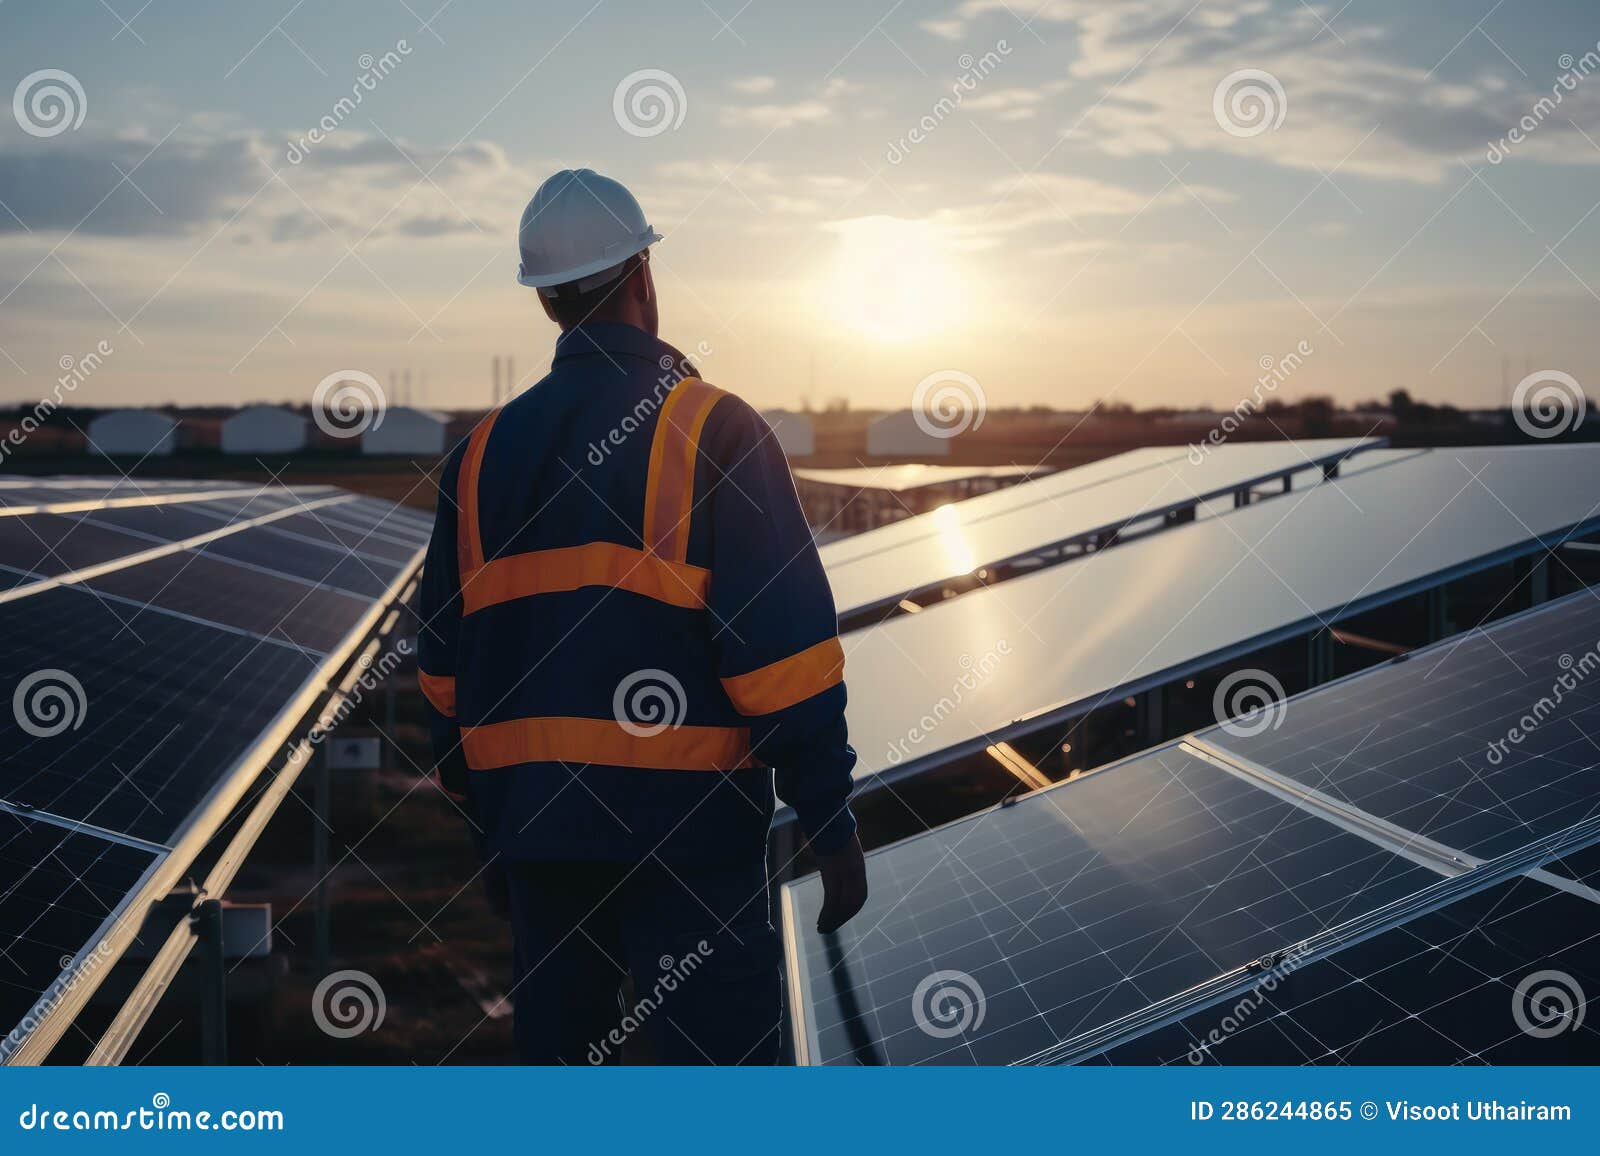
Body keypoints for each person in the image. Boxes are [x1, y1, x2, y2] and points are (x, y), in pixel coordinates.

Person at [417, 168, 867, 1065]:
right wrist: (828, 815)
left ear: (545, 301)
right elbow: (782, 663)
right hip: (688, 843)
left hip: (541, 845)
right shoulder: (715, 427)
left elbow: (442, 676)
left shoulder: (478, 457)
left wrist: (492, 821)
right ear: (644, 276)